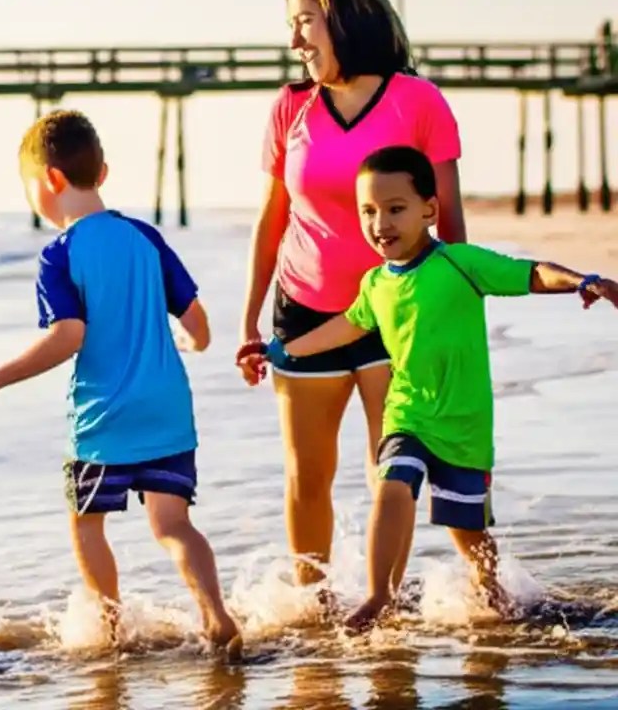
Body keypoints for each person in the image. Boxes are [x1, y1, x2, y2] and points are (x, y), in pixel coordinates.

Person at [241, 145, 618, 632]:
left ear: (430, 210)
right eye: (369, 212)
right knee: (393, 481)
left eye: (395, 209)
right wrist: (278, 351)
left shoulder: (461, 264)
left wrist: (581, 280)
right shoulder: (375, 283)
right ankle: (380, 596)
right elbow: (345, 327)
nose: (381, 224)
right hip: (408, 415)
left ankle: (494, 594)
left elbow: (531, 273)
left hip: (463, 424)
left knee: (468, 531)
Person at [0, 110, 241, 654]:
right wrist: (189, 346)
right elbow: (198, 326)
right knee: (174, 525)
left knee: (87, 524)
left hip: (103, 418)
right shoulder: (144, 237)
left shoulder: (60, 253)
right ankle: (216, 615)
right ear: (101, 173)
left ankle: (109, 629)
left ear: (50, 182)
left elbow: (68, 337)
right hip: (167, 409)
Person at [236, 0, 468, 599]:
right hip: (304, 310)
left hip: (396, 311)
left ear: (343, 16)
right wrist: (249, 321)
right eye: (292, 26)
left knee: (388, 474)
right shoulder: (291, 108)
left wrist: (448, 314)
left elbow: (450, 221)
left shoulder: (419, 101)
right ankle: (314, 609)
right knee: (306, 476)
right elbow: (271, 218)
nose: (296, 41)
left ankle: (379, 606)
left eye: (305, 22)